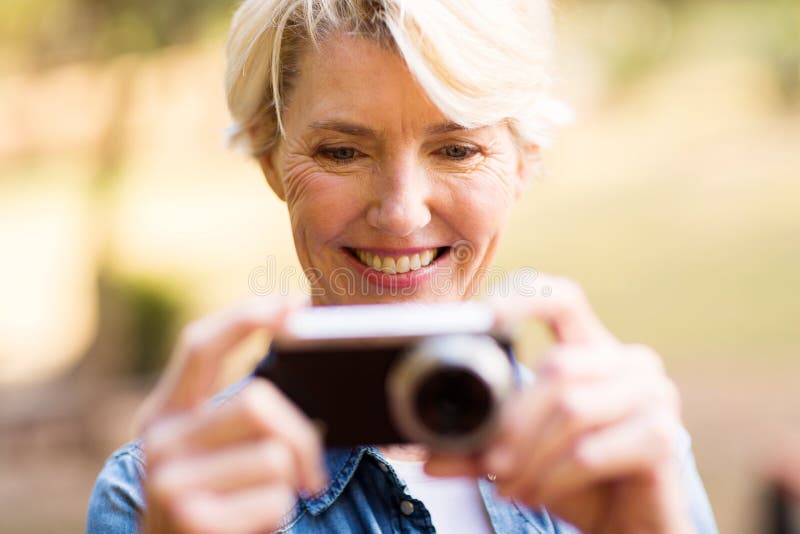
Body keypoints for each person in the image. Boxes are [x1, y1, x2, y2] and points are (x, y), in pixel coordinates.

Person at [87, 0, 719, 532]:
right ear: (269, 159)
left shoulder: (627, 450)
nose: (400, 213)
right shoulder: (157, 496)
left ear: (524, 161)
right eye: (341, 151)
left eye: (457, 148)